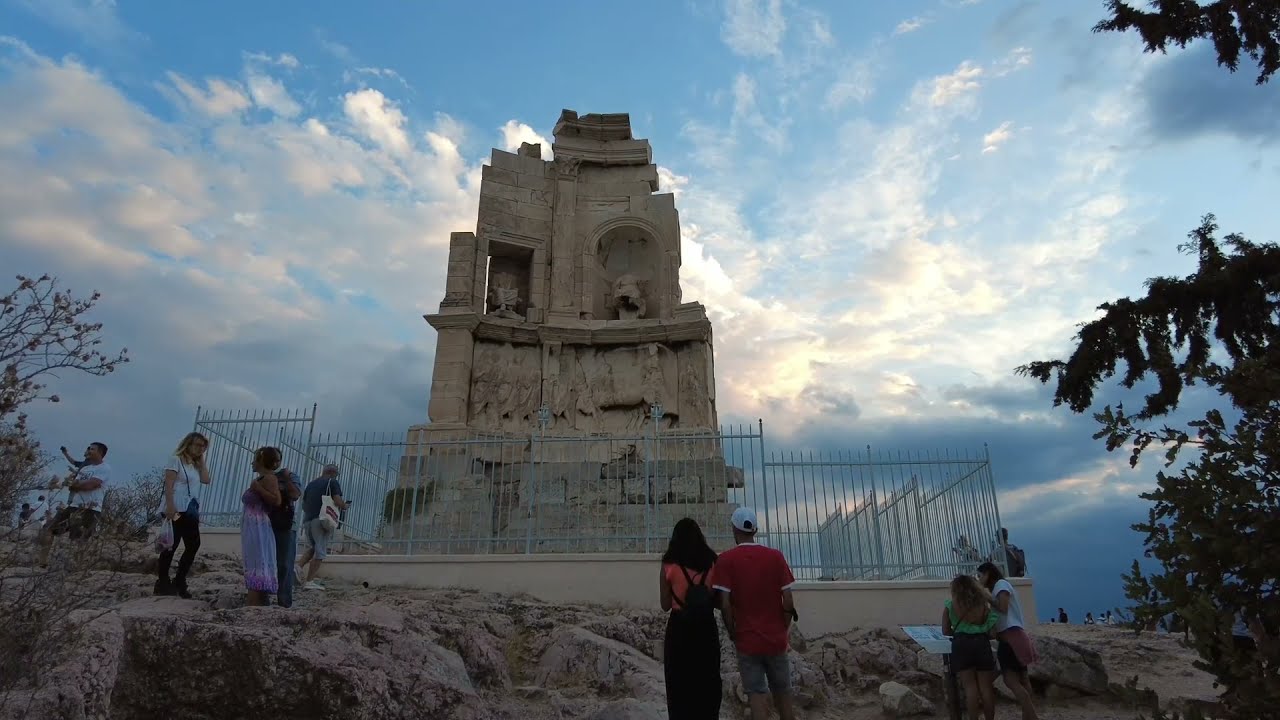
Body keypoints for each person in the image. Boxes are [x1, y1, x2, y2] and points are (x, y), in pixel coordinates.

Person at [711, 508, 797, 720]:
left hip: (747, 640)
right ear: (755, 529)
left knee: (756, 695)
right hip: (775, 639)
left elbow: (725, 604)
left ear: (734, 528)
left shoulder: (726, 560)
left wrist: (733, 632)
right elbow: (788, 599)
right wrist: (782, 628)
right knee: (783, 694)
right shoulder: (775, 557)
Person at [658, 518, 722, 720]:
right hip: (705, 627)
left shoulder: (669, 564)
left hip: (679, 627)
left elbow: (665, 604)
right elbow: (719, 600)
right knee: (708, 681)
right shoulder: (713, 562)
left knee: (678, 684)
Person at [979, 561, 1039, 720]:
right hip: (1016, 637)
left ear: (988, 574)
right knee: (1023, 680)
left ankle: (1032, 716)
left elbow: (1003, 607)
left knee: (1010, 680)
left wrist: (987, 597)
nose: (979, 579)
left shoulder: (1001, 585)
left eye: (980, 575)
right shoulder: (1000, 586)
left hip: (1010, 638)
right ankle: (1029, 715)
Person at [155, 432, 212, 599]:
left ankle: (180, 579)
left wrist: (201, 463)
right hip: (177, 508)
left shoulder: (194, 465)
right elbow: (169, 483)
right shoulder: (176, 459)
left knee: (193, 544)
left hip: (190, 508)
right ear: (188, 444)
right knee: (171, 544)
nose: (200, 449)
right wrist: (170, 506)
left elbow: (206, 480)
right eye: (197, 445)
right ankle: (163, 581)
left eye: (203, 446)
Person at [36, 442, 111, 565]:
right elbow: (72, 486)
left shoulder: (104, 468)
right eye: (89, 448)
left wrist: (79, 485)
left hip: (90, 509)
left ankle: (77, 568)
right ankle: (42, 562)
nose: (89, 450)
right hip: (74, 506)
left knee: (79, 539)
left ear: (100, 453)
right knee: (49, 528)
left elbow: (92, 485)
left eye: (92, 449)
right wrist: (78, 485)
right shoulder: (85, 467)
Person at [943, 574, 999, 720]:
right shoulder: (982, 605)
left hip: (961, 644)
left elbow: (946, 631)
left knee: (970, 688)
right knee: (986, 688)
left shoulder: (951, 605)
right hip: (981, 643)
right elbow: (993, 633)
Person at [294, 464, 348, 590]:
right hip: (322, 520)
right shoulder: (332, 482)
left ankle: (297, 567)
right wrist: (344, 506)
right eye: (336, 474)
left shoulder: (311, 484)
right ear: (332, 473)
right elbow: (337, 500)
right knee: (320, 552)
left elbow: (304, 503)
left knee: (314, 547)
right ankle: (309, 581)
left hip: (308, 520)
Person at [241, 446, 282, 606]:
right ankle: (258, 602)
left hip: (258, 524)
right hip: (252, 524)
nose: (252, 463)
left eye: (255, 459)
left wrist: (257, 489)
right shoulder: (261, 478)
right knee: (254, 561)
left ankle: (254, 603)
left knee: (257, 561)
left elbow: (276, 500)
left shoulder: (269, 478)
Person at [273, 467, 302, 608]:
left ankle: (284, 602)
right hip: (266, 523)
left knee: (284, 564)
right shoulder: (264, 477)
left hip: (286, 524)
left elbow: (296, 494)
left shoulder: (291, 476)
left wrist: (286, 477)